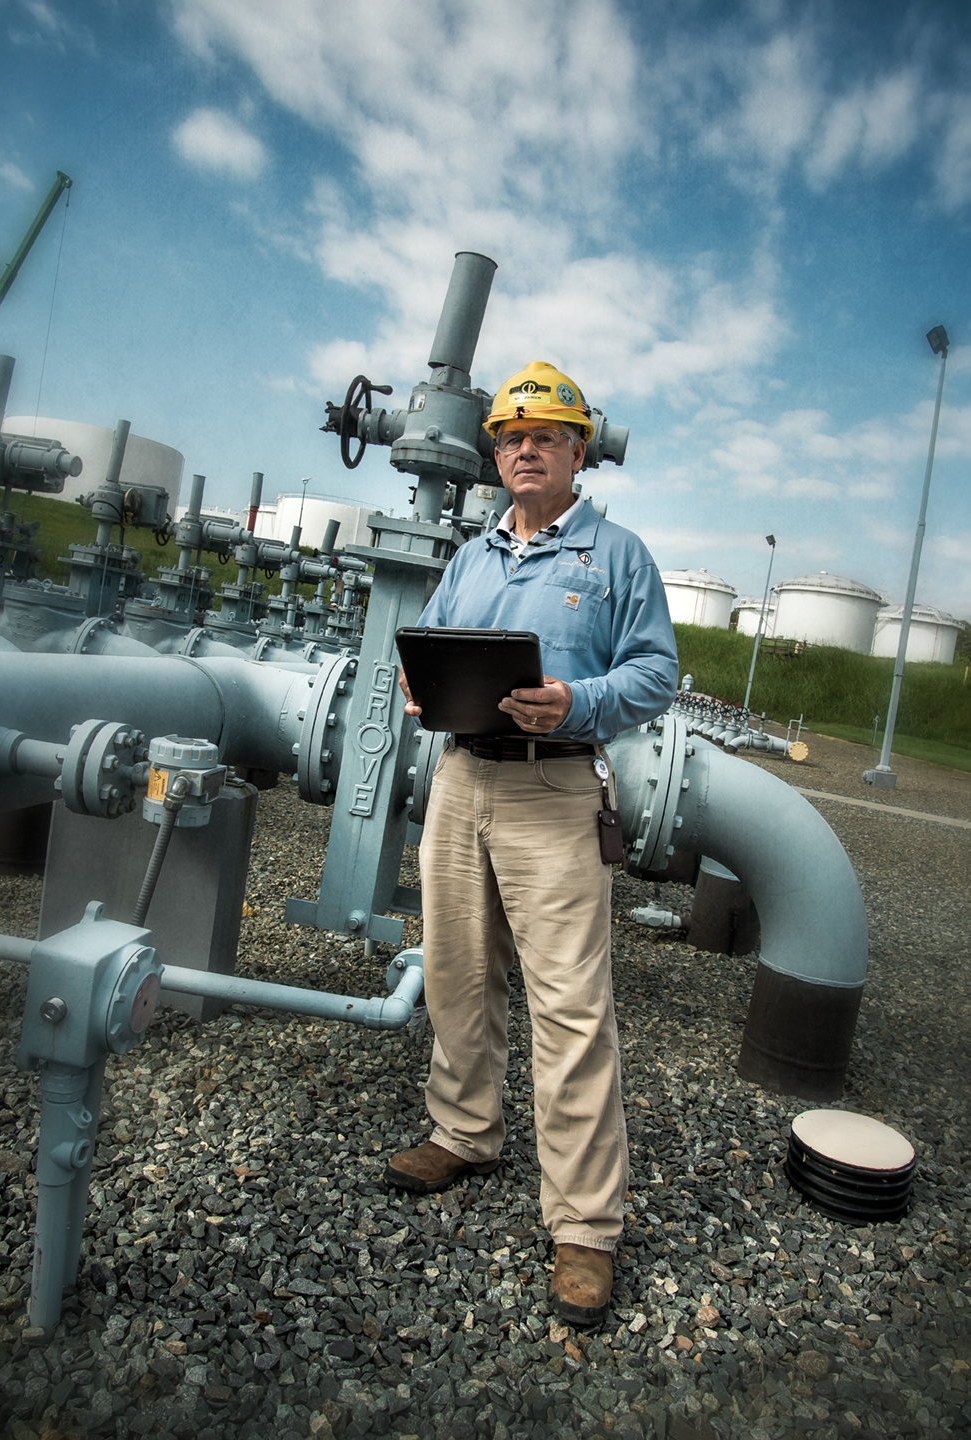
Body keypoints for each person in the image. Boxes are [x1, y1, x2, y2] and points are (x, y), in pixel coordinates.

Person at [385, 361, 678, 1328]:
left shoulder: (618, 556)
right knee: (460, 973)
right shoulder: (473, 554)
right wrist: (420, 682)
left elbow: (655, 676)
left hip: (554, 789)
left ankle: (587, 1226)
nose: (521, 449)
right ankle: (465, 1132)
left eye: (541, 437)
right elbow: (432, 634)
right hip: (463, 777)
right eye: (509, 437)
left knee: (569, 1005)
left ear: (576, 451)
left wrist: (576, 702)